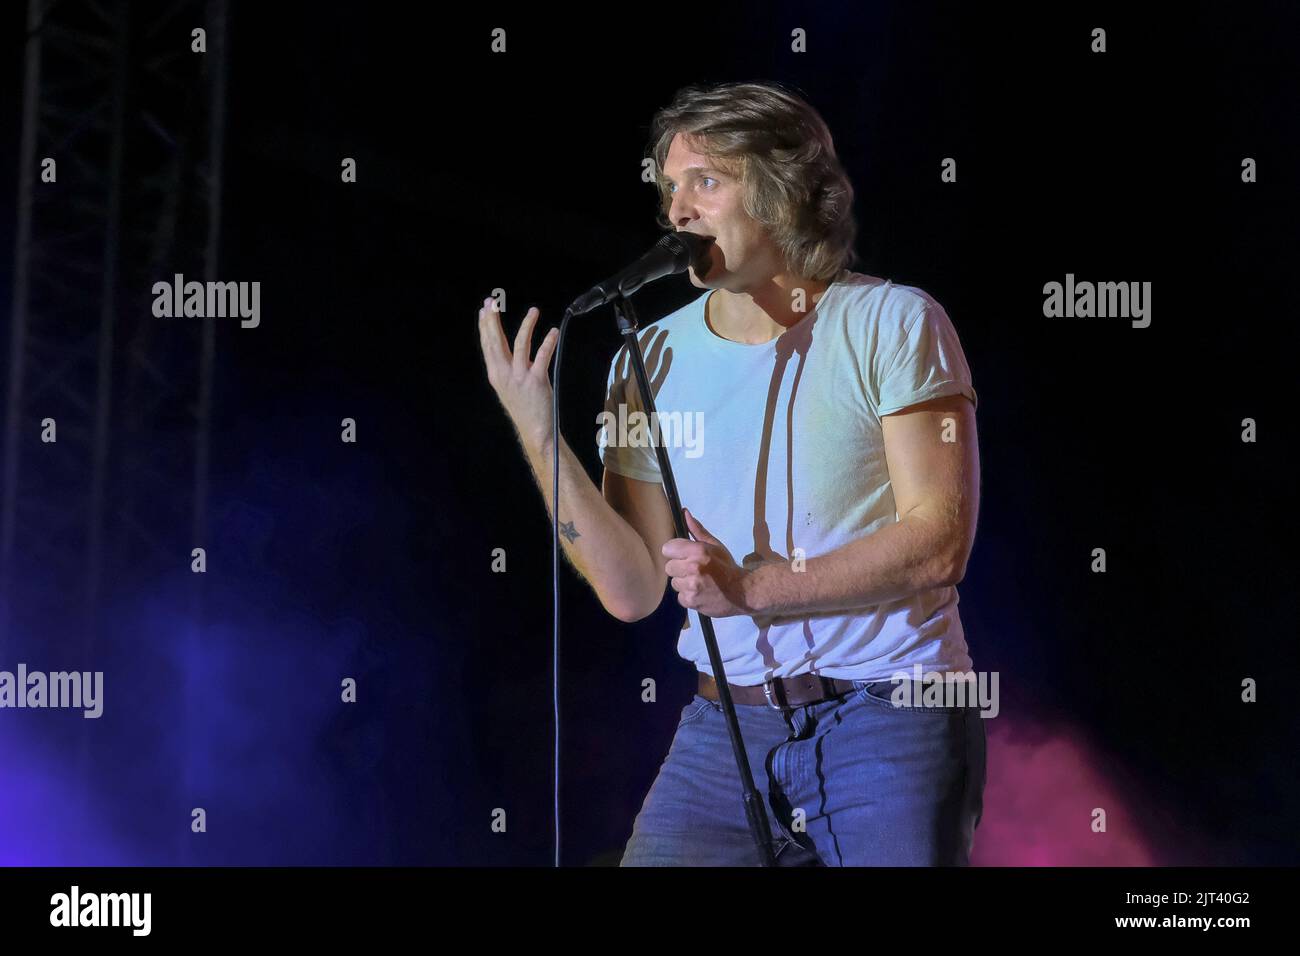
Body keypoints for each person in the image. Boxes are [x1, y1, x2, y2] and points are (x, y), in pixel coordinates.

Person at [477, 80, 985, 866]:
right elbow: (632, 588)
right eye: (669, 188)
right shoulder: (649, 359)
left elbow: (937, 544)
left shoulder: (893, 321)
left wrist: (753, 589)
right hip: (726, 726)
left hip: (891, 713)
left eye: (706, 182)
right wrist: (540, 433)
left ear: (783, 190)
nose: (678, 209)